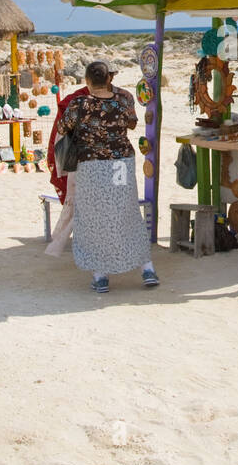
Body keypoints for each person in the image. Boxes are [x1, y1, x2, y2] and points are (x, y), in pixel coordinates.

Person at [57, 60, 157, 293]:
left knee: (93, 218)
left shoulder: (79, 103)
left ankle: (100, 276)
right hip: (120, 164)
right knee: (127, 212)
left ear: (88, 81)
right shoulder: (124, 99)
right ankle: (147, 268)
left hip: (92, 166)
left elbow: (63, 128)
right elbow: (132, 124)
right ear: (109, 78)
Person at [45, 81, 89, 258]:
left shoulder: (75, 100)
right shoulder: (77, 100)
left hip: (81, 160)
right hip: (84, 160)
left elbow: (61, 130)